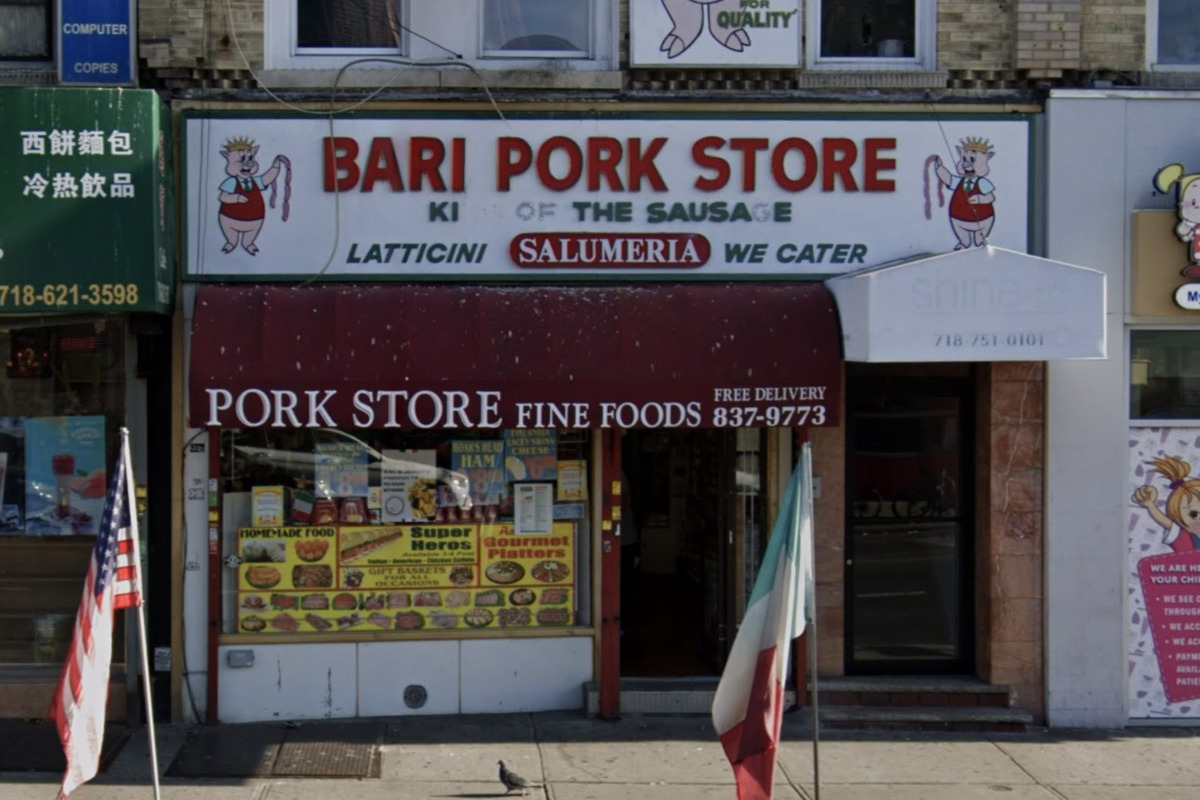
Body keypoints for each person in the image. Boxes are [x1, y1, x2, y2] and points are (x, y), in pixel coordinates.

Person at [1132, 455, 1200, 552]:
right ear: (1179, 520)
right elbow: (1165, 521)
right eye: (1194, 514)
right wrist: (1151, 505)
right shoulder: (1180, 535)